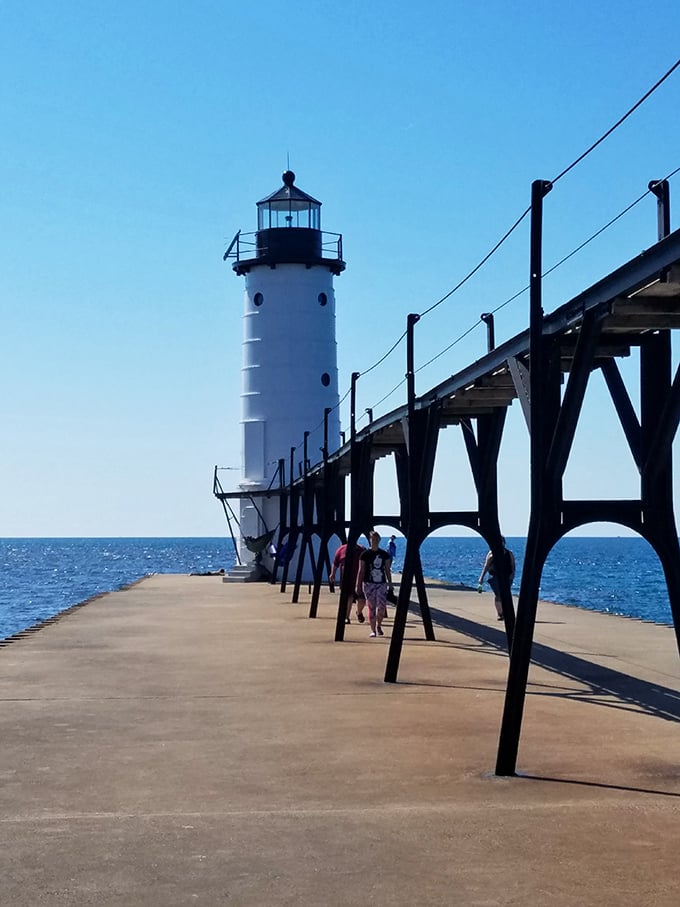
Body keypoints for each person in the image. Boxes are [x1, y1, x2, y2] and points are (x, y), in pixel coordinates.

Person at [356, 530, 394, 638]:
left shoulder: (384, 555)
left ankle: (379, 625)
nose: (375, 542)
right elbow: (361, 570)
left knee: (381, 608)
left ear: (379, 541)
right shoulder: (365, 555)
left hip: (381, 583)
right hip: (368, 583)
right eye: (373, 540)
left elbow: (387, 570)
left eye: (377, 540)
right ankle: (373, 630)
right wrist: (358, 585)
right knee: (371, 607)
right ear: (370, 540)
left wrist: (390, 583)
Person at [478, 538, 515, 620]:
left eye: (502, 542)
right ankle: (500, 613)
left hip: (506, 577)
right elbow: (486, 566)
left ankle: (505, 612)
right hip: (494, 577)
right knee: (498, 595)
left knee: (505, 595)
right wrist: (481, 578)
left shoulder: (509, 553)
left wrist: (511, 576)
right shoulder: (491, 554)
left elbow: (512, 566)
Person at [330, 541, 366, 624]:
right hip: (346, 579)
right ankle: (346, 617)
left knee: (362, 600)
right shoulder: (341, 549)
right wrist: (333, 574)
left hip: (359, 579)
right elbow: (335, 563)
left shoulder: (362, 549)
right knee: (349, 597)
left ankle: (359, 612)